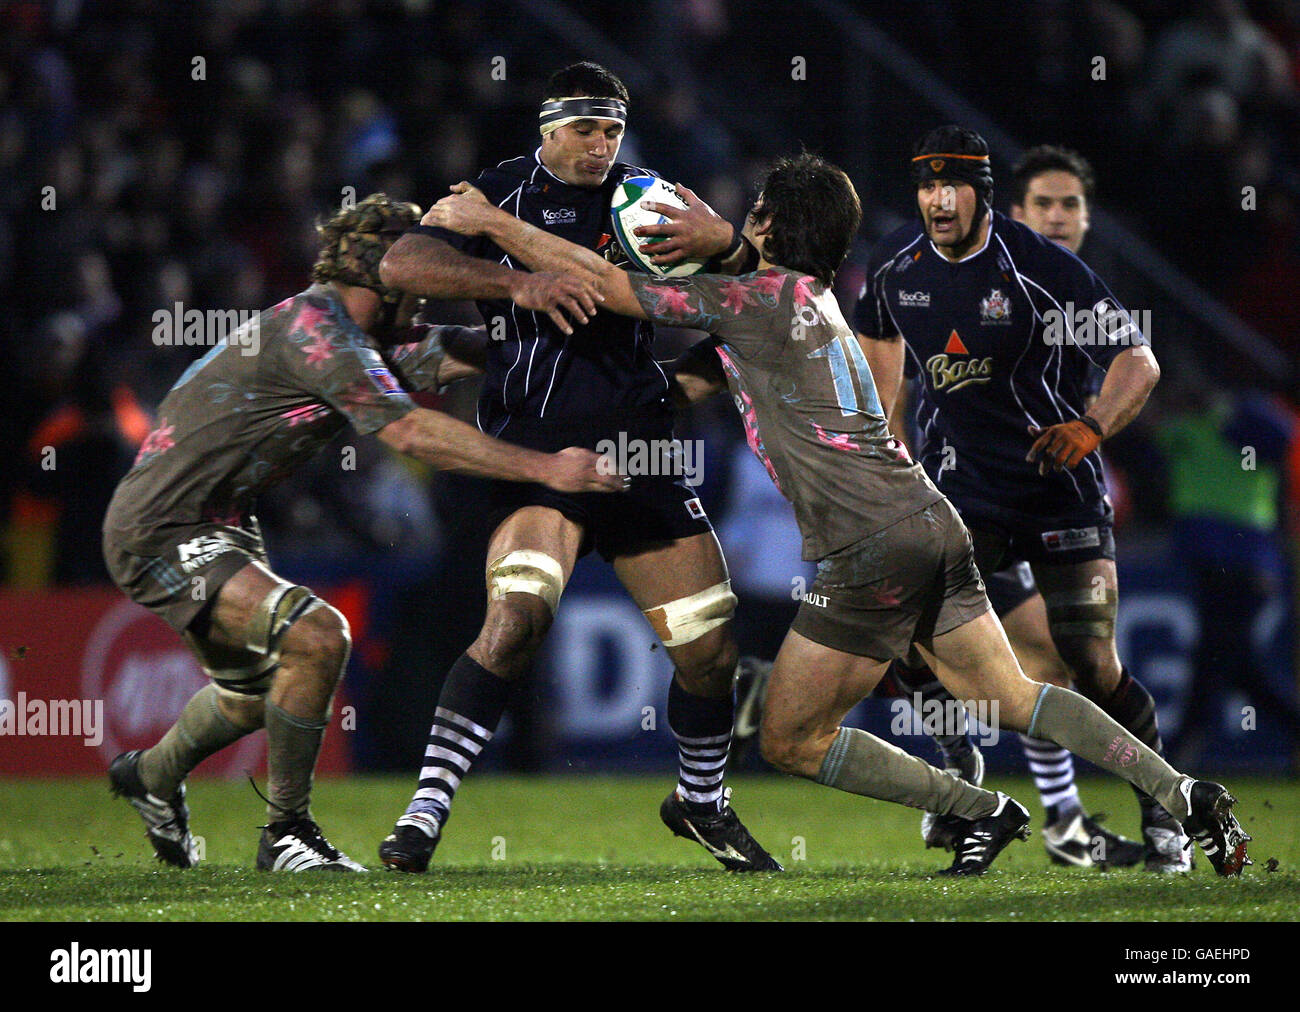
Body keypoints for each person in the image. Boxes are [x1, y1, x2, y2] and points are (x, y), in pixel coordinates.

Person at [422, 151, 1251, 877]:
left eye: (751, 213)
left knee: (788, 739)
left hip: (870, 545)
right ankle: (1181, 790)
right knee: (1013, 692)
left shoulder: (749, 298)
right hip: (931, 518)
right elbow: (684, 365)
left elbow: (602, 284)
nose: (732, 220)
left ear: (770, 225)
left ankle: (973, 806)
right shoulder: (812, 295)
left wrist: (491, 218)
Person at [104, 193, 621, 872]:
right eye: (420, 276)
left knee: (252, 693)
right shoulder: (316, 333)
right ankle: (286, 832)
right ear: (382, 278)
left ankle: (151, 777)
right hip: (161, 526)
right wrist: (548, 467)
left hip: (221, 523)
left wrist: (570, 337)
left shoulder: (362, 337)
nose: (429, 294)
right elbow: (408, 428)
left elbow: (459, 351)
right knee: (317, 638)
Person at [375, 62, 782, 874]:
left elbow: (755, 302)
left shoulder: (649, 201)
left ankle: (700, 803)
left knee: (708, 649)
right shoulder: (499, 193)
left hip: (641, 453)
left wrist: (694, 365)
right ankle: (423, 813)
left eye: (613, 131)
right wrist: (511, 286)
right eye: (587, 129)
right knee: (518, 617)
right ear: (549, 128)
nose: (602, 146)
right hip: (535, 451)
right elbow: (400, 268)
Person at [853, 125, 1194, 872]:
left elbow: (1138, 361)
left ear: (983, 193)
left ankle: (1164, 811)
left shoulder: (1043, 267)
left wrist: (1092, 427)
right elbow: (886, 384)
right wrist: (889, 462)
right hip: (965, 493)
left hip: (1058, 490)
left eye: (954, 186)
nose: (938, 201)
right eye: (926, 186)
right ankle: (958, 757)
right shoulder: (892, 267)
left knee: (1089, 662)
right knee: (896, 619)